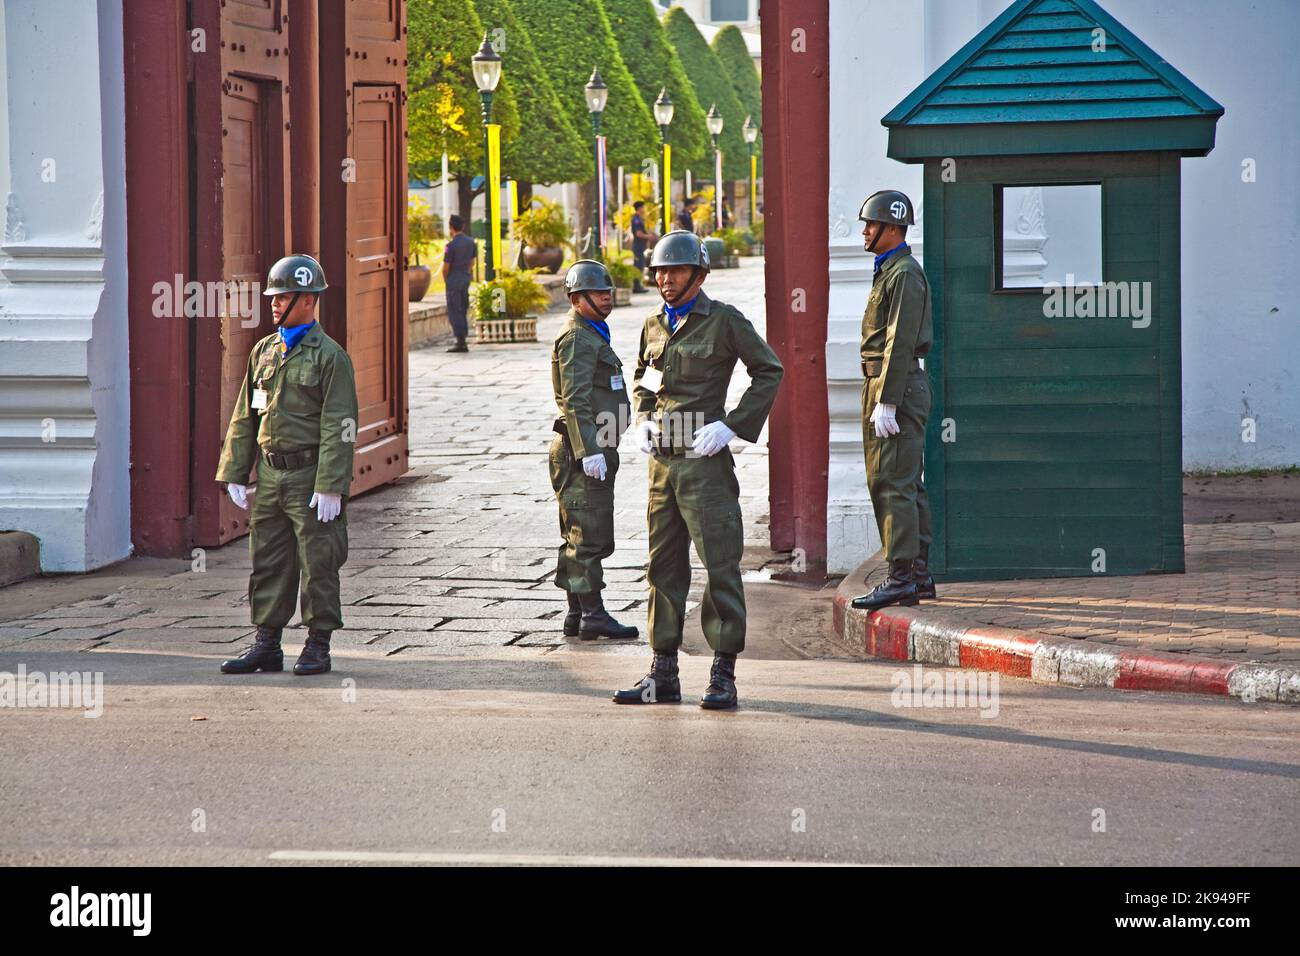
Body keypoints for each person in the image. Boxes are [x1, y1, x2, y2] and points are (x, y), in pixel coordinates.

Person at [614, 230, 784, 710]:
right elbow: (645, 381)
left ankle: (722, 673)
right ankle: (662, 673)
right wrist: (643, 420)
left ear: (699, 274)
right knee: (662, 567)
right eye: (660, 272)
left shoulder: (724, 321)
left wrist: (731, 427)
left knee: (720, 566)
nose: (665, 280)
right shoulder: (652, 324)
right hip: (662, 467)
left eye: (676, 271)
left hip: (704, 463)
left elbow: (769, 370)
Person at [216, 254, 359, 676]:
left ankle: (318, 644)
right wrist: (235, 471)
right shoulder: (264, 352)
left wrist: (332, 483)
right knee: (269, 559)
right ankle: (267, 643)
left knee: (318, 561)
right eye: (273, 296)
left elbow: (341, 424)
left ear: (309, 300)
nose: (274, 304)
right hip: (272, 476)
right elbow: (247, 414)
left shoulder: (330, 357)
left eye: (283, 296)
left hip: (309, 476)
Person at [850, 190, 937, 611]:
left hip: (895, 387)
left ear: (893, 227)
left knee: (892, 483)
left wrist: (886, 400)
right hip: (890, 385)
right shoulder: (889, 270)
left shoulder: (903, 273)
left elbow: (899, 340)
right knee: (903, 480)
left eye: (872, 224)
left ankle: (901, 576)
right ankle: (918, 576)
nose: (865, 231)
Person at [550, 260, 638, 640]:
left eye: (608, 292)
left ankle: (575, 615)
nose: (607, 298)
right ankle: (593, 615)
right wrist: (588, 451)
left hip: (596, 445)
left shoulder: (593, 333)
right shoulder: (578, 339)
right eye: (598, 293)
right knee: (588, 534)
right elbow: (575, 400)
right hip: (582, 449)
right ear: (576, 298)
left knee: (581, 531)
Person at [442, 214, 477, 353]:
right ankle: (463, 339)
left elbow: (446, 267)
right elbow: (472, 263)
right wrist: (466, 274)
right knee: (463, 308)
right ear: (463, 226)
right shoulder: (471, 243)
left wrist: (447, 279)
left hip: (453, 281)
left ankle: (460, 341)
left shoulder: (450, 246)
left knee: (454, 310)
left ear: (451, 228)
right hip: (464, 279)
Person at [629, 201, 650, 293]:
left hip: (640, 246)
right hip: (637, 246)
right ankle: (637, 286)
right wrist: (648, 237)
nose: (644, 209)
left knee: (640, 265)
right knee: (638, 266)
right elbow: (638, 233)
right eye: (643, 207)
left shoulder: (639, 219)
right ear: (639, 208)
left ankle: (638, 285)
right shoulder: (636, 220)